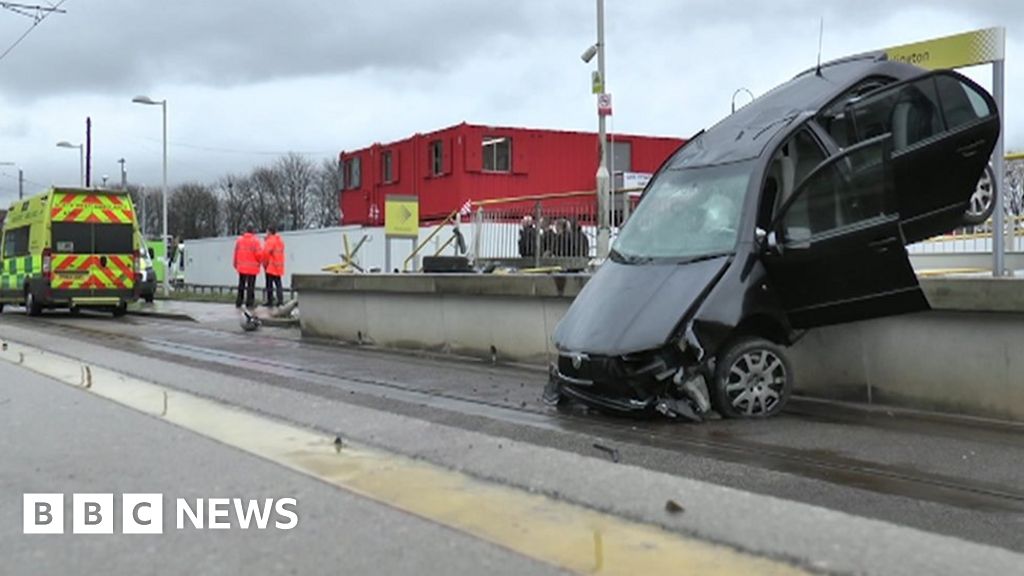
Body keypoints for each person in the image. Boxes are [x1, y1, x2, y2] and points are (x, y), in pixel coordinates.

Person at [233, 225, 263, 309]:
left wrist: (235, 264)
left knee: (241, 285)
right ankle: (249, 302)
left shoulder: (239, 240)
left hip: (241, 267)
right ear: (253, 231)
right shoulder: (255, 241)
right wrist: (260, 262)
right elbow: (259, 254)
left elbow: (236, 253)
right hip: (252, 268)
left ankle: (239, 301)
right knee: (250, 286)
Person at [262, 225, 285, 308]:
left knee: (269, 284)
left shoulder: (270, 241)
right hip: (278, 266)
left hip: (271, 266)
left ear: (270, 232)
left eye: (267, 231)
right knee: (278, 284)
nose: (266, 233)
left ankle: (270, 300)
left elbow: (265, 254)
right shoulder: (280, 241)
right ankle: (280, 301)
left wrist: (265, 265)